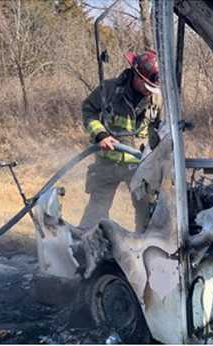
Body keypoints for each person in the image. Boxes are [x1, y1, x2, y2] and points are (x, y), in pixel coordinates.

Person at [79, 50, 162, 231]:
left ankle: (144, 249)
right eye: (147, 85)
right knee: (97, 209)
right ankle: (86, 245)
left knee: (146, 212)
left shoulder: (157, 99)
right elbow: (88, 110)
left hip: (139, 165)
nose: (150, 92)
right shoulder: (108, 90)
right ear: (136, 76)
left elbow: (161, 130)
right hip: (107, 161)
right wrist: (100, 134)